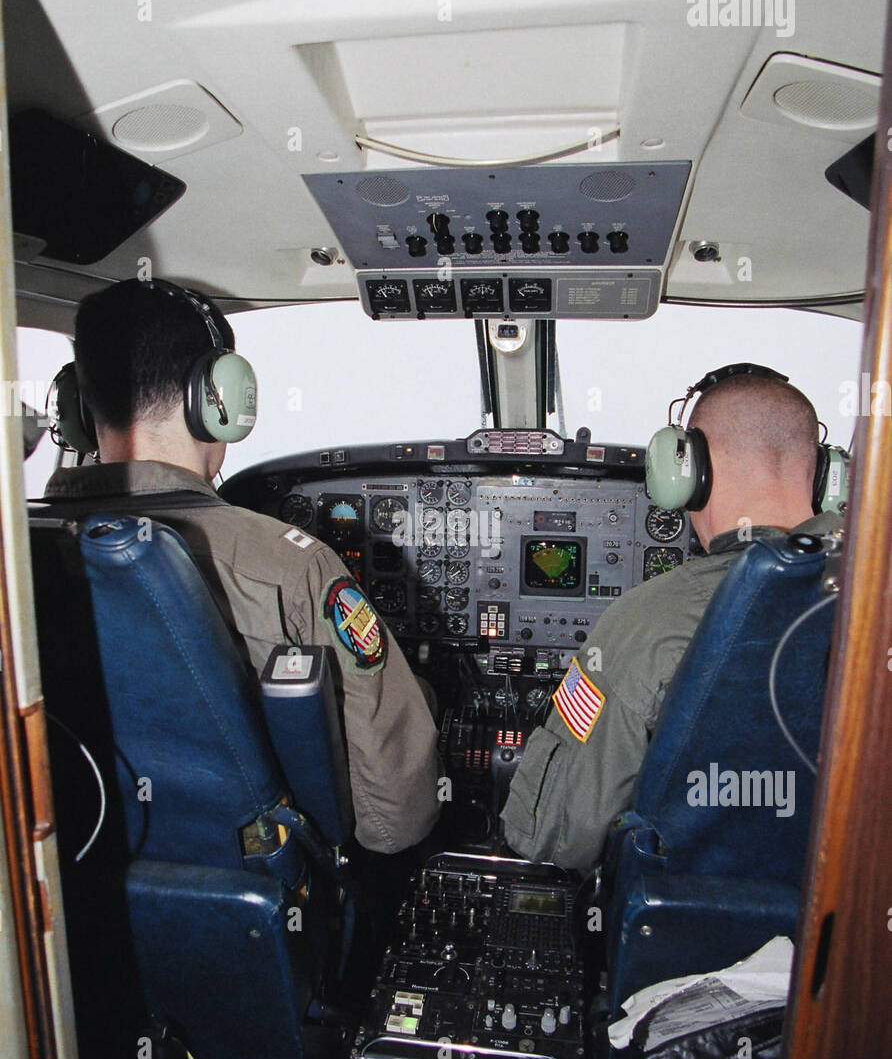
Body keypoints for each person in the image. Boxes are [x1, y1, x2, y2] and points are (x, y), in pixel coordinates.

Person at [43, 277, 440, 857]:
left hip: (78, 868)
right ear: (218, 399)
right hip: (256, 890)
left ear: (79, 405)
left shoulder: (19, 550)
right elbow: (394, 821)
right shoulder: (289, 568)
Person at [499, 366, 843, 872]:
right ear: (824, 474)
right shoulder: (876, 599)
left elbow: (556, 838)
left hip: (675, 925)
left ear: (687, 469)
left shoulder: (648, 621)